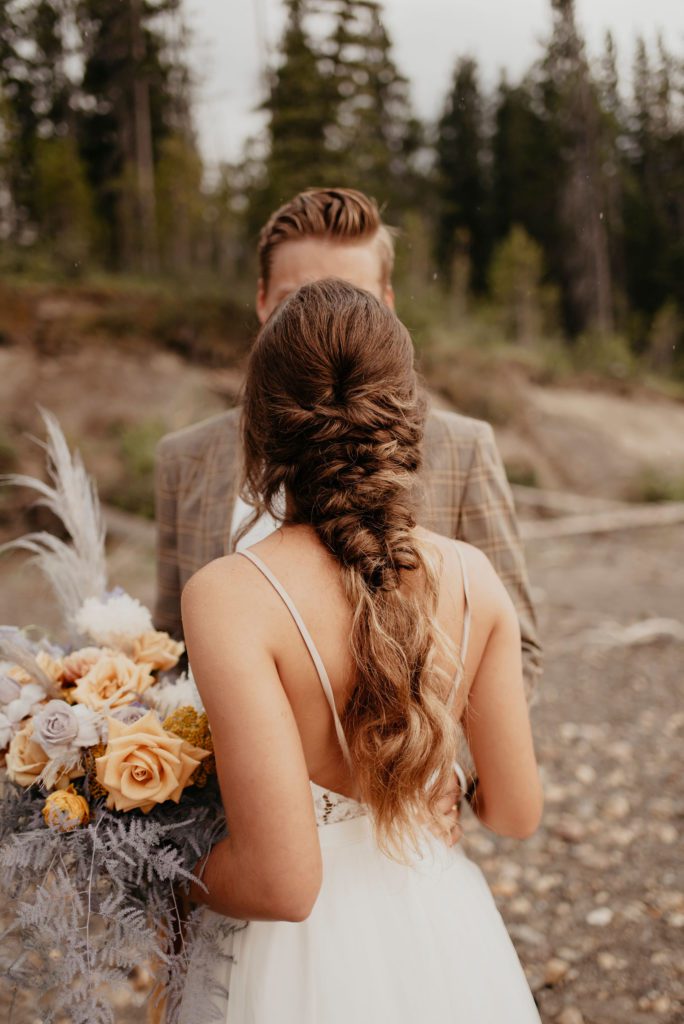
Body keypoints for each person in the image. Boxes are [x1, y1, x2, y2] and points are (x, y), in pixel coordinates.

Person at [178, 279, 543, 1023]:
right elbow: (514, 812)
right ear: (406, 414)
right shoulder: (473, 577)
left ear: (261, 425)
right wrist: (434, 776)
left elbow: (283, 884)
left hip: (297, 964)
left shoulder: (230, 596)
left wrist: (156, 868)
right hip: (445, 936)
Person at [153, 187, 542, 710]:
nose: (318, 324)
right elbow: (169, 648)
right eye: (295, 300)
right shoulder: (183, 458)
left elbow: (515, 651)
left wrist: (429, 755)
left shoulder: (464, 448)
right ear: (262, 300)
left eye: (349, 299)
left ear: (387, 307)